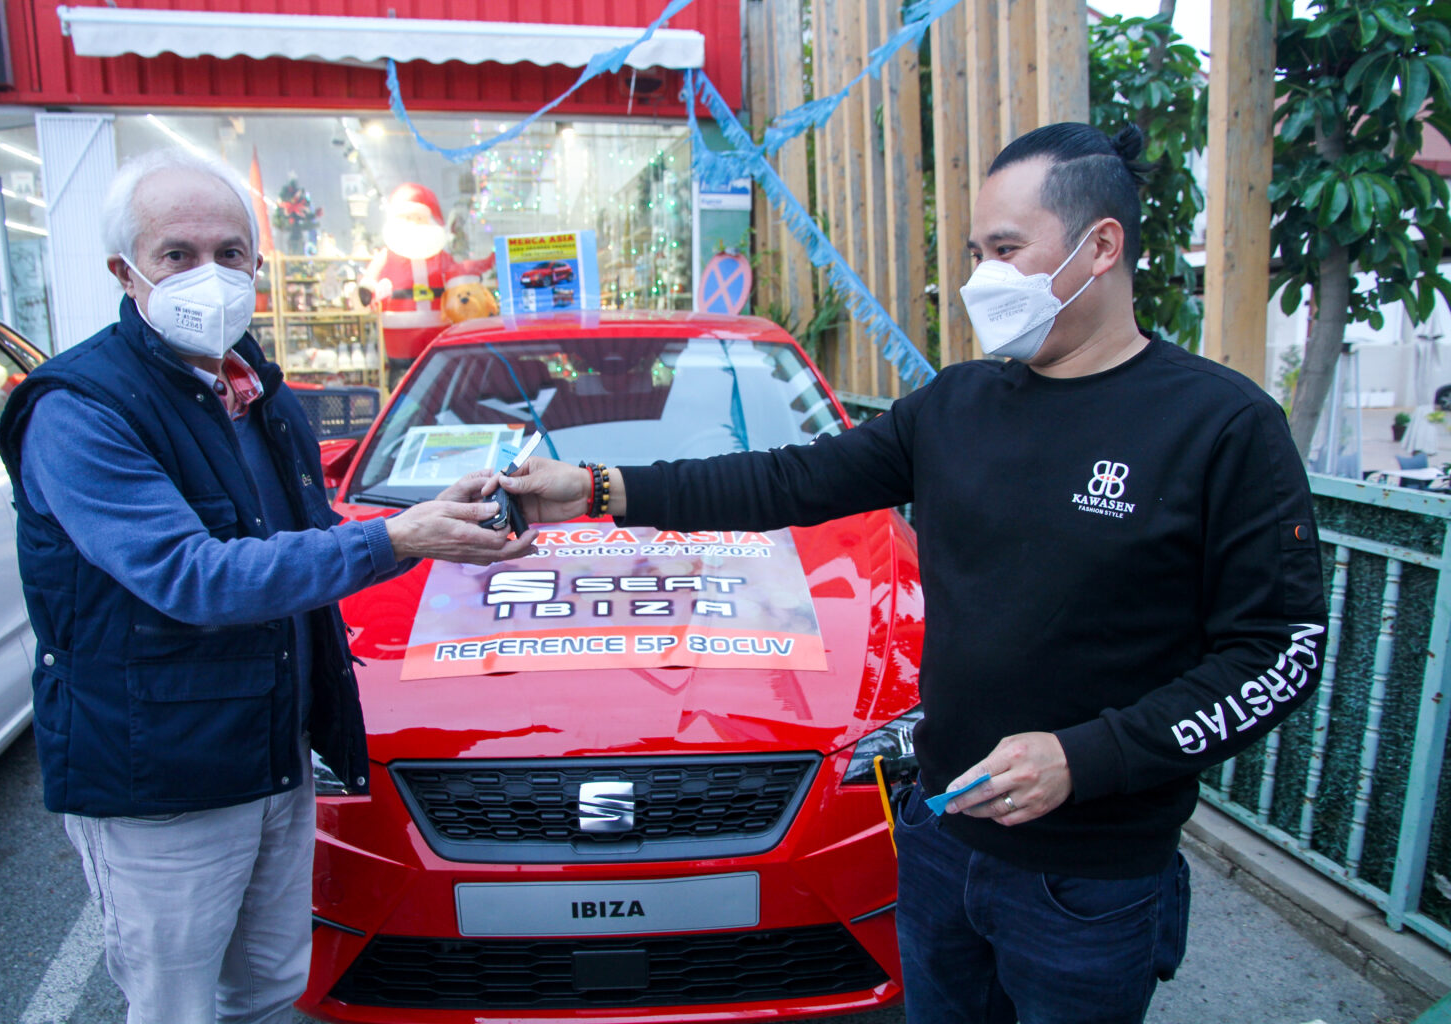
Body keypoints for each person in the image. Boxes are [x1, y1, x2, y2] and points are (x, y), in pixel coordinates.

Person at [496, 123, 1327, 1024]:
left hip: (1089, 880)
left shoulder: (1222, 426)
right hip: (940, 840)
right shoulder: (955, 406)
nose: (981, 279)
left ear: (1101, 246)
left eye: (1006, 250)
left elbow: (1279, 654)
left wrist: (1087, 758)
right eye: (975, 253)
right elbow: (787, 478)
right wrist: (596, 485)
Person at [0, 148, 535, 1024]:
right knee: (175, 1002)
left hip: (273, 752)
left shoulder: (259, 393)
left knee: (269, 986)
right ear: (123, 272)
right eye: (178, 254)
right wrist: (394, 537)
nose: (210, 274)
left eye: (231, 252)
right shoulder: (80, 410)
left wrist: (433, 520)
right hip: (158, 776)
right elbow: (190, 576)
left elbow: (306, 542)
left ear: (257, 262)